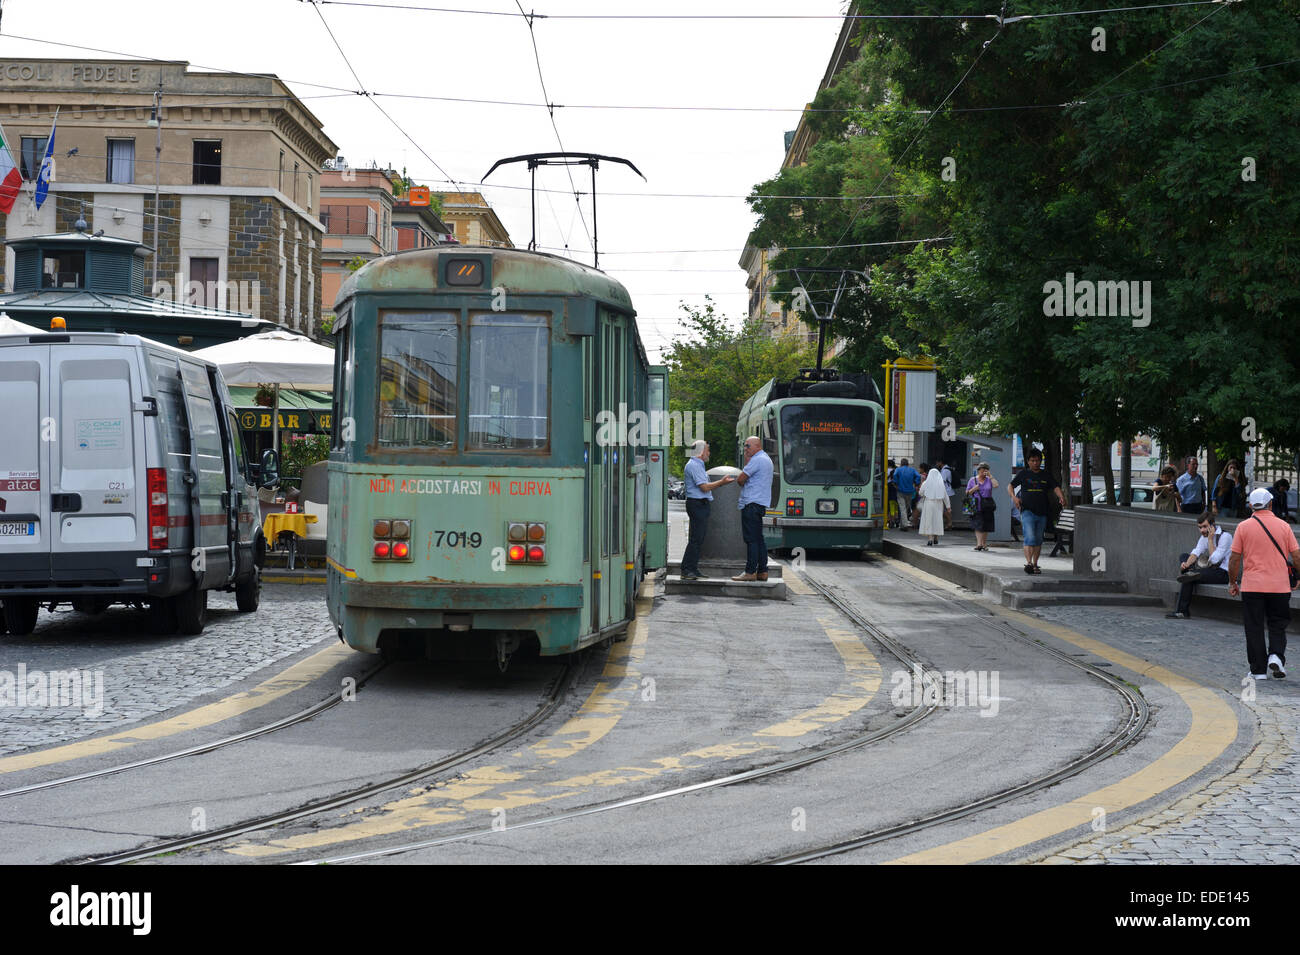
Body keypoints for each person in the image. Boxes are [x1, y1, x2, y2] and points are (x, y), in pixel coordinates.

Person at [1228, 488, 1300, 680]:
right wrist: (1299, 576)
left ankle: (1258, 670)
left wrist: (1233, 582)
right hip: (1279, 586)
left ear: (1251, 506)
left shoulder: (1243, 527)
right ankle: (1276, 655)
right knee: (1278, 623)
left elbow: (1234, 559)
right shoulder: (1284, 526)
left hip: (1253, 587)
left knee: (1254, 626)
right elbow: (1297, 555)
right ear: (1270, 504)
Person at [679, 440, 734, 580]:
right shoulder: (694, 466)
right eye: (707, 450)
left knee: (699, 538)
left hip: (700, 504)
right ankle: (687, 569)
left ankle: (692, 568)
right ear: (701, 451)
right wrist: (721, 483)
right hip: (697, 504)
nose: (709, 453)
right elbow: (704, 487)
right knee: (696, 539)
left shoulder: (698, 465)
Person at [1008, 448, 1066, 574]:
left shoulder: (1046, 474)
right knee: (1030, 537)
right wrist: (1014, 498)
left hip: (1043, 511)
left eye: (1038, 460)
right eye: (1033, 461)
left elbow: (1055, 487)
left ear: (1041, 461)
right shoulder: (1023, 474)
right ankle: (1028, 564)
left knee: (1038, 539)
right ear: (1028, 461)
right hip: (1027, 510)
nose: (1035, 463)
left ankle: (1035, 564)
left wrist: (1061, 497)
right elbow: (1010, 486)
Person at [1166, 511, 1231, 619]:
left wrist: (1210, 539)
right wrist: (1186, 564)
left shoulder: (1225, 537)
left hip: (1223, 573)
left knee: (1188, 578)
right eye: (1200, 527)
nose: (1202, 530)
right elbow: (1196, 552)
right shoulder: (1203, 537)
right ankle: (1189, 571)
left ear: (1212, 525)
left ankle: (1182, 611)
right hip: (1209, 570)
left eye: (1205, 527)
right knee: (1184, 556)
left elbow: (1214, 560)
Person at [733, 435, 773, 582]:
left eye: (747, 446)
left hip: (751, 503)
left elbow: (740, 479)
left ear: (757, 446)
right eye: (745, 446)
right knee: (759, 539)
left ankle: (750, 572)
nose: (745, 449)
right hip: (760, 504)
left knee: (751, 539)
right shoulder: (766, 459)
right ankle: (763, 571)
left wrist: (744, 480)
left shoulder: (757, 460)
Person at [965, 462, 999, 551]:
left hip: (987, 505)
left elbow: (996, 485)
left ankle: (984, 544)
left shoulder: (989, 479)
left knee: (986, 525)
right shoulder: (972, 480)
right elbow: (967, 492)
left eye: (985, 469)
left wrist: (990, 476)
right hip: (976, 505)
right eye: (981, 469)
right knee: (978, 525)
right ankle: (979, 544)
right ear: (978, 470)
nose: (983, 471)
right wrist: (974, 489)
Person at [916, 465, 949, 546]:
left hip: (928, 503)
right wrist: (948, 506)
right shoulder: (941, 484)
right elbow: (945, 496)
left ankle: (930, 539)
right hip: (939, 504)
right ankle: (936, 538)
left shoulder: (925, 483)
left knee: (929, 520)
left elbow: (921, 493)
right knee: (937, 520)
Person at [891, 458, 920, 530]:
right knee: (906, 508)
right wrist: (916, 484)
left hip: (900, 491)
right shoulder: (912, 470)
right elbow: (918, 476)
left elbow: (895, 475)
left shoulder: (898, 469)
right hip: (910, 491)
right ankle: (902, 524)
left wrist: (896, 483)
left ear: (901, 463)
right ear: (908, 463)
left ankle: (904, 525)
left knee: (902, 508)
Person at [938, 458, 955, 529]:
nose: (936, 464)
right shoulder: (947, 469)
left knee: (944, 509)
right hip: (947, 491)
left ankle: (949, 523)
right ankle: (949, 523)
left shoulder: (945, 470)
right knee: (945, 508)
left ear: (941, 462)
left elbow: (941, 481)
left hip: (946, 492)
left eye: (937, 462)